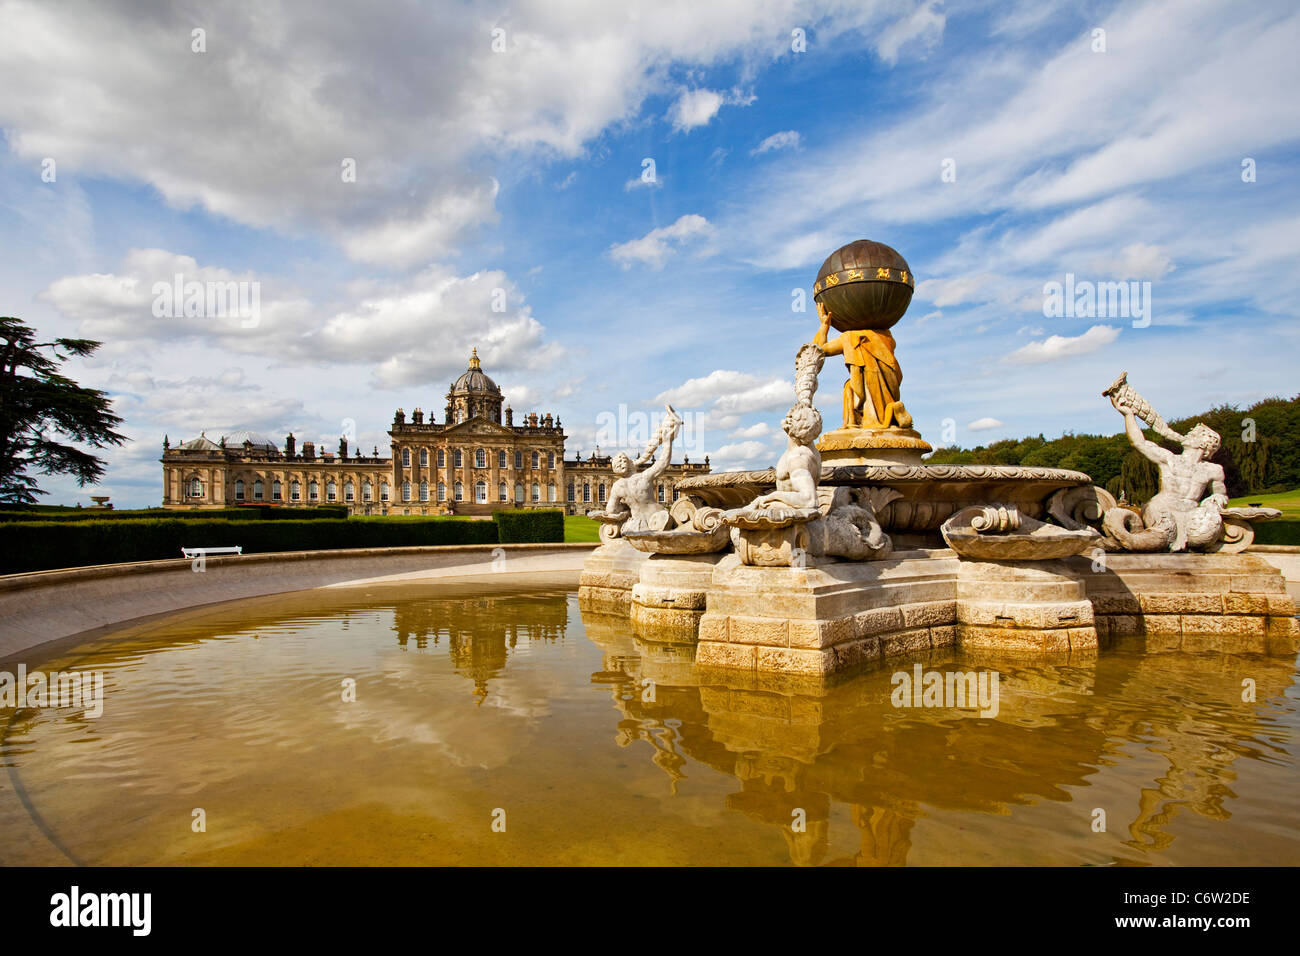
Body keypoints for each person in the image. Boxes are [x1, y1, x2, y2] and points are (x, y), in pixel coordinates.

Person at [813, 300, 912, 430]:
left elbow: (818, 350)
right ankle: (885, 415)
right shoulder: (885, 337)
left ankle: (869, 419)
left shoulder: (852, 337)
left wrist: (824, 326)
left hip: (869, 396)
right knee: (850, 386)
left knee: (849, 387)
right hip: (889, 393)